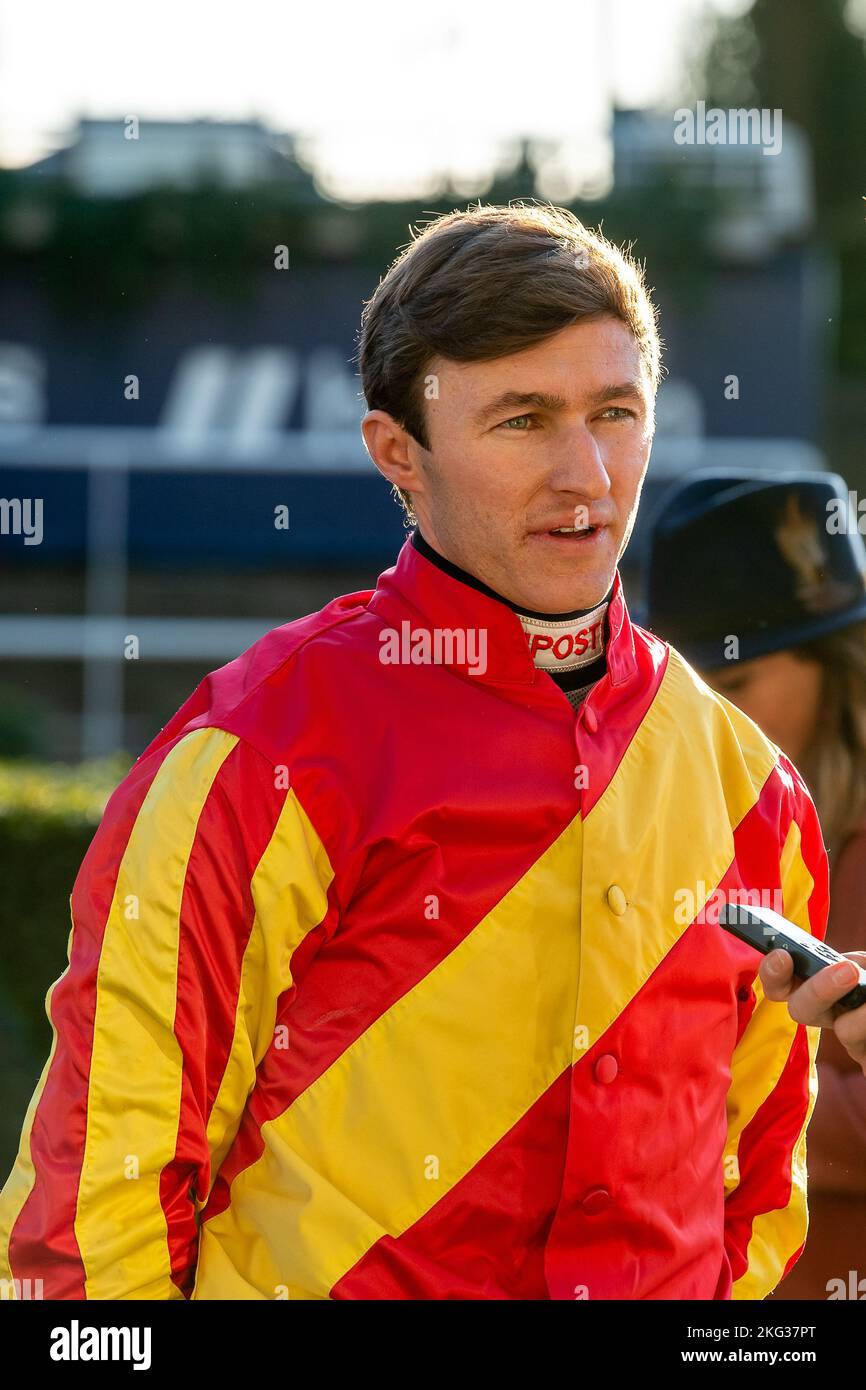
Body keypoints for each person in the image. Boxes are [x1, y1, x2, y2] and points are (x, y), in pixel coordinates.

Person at [0, 203, 846, 1302]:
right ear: (397, 452)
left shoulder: (752, 789)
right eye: (523, 421)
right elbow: (94, 1203)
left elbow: (760, 1178)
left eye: (615, 412)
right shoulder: (260, 749)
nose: (585, 473)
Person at [642, 468, 866, 1300]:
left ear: (841, 665)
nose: (711, 727)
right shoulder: (653, 834)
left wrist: (696, 1128)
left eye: (733, 690)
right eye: (688, 699)